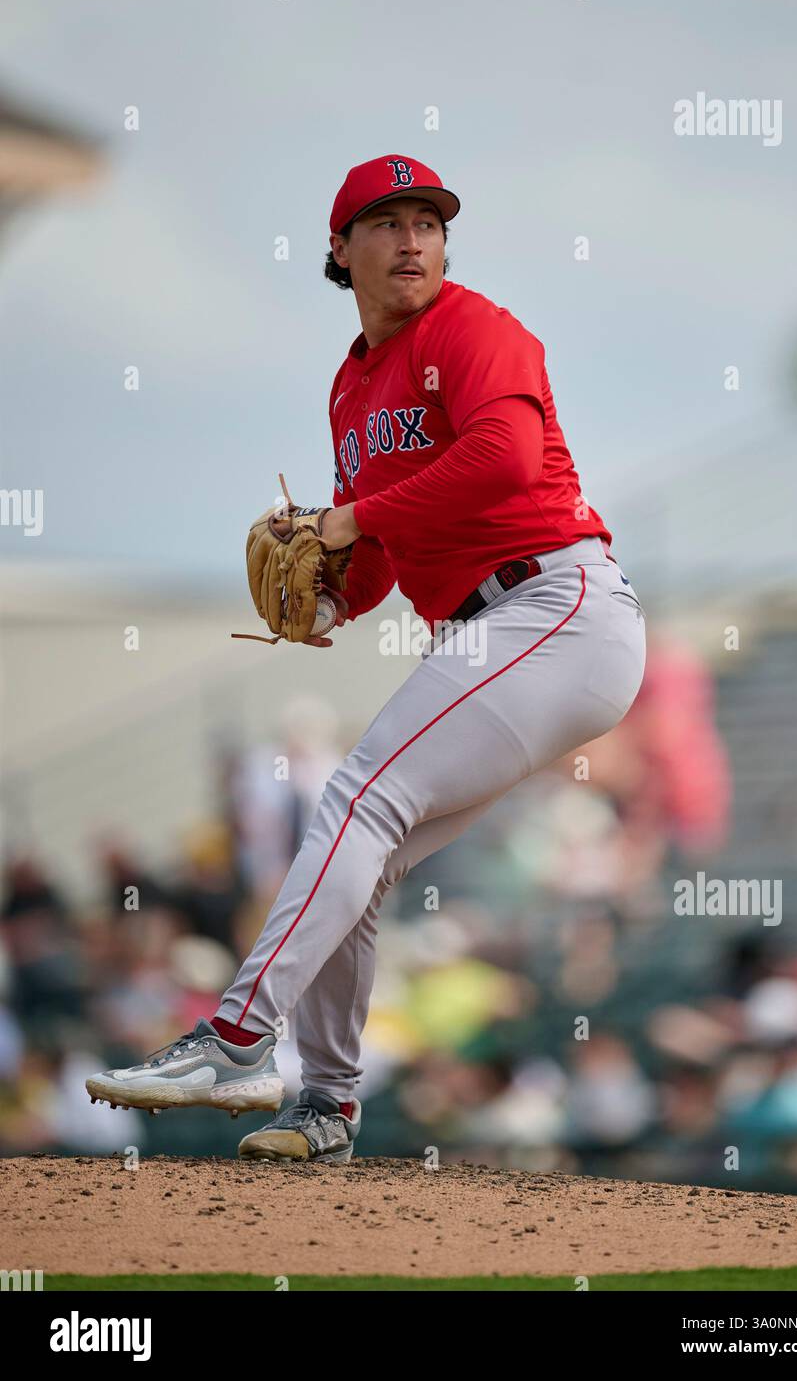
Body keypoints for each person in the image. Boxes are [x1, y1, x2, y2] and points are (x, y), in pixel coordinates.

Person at [86, 154, 647, 1165]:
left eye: (428, 221)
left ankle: (236, 1040)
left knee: (352, 799)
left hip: (557, 604)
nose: (413, 239)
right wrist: (339, 595)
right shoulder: (351, 388)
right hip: (496, 629)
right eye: (386, 223)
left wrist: (349, 516)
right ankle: (328, 1105)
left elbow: (502, 462)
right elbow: (386, 548)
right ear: (339, 252)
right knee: (360, 851)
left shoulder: (475, 329)